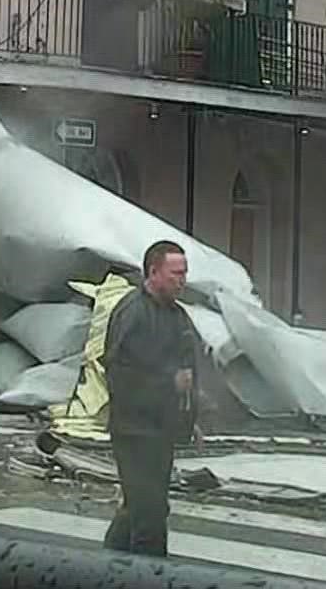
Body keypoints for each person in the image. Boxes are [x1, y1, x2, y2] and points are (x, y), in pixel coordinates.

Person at [101, 239, 200, 557]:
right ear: (154, 272)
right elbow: (119, 373)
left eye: (184, 272)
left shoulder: (179, 317)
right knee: (151, 514)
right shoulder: (133, 312)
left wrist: (191, 417)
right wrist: (167, 382)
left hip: (162, 430)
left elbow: (188, 370)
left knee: (140, 505)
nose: (182, 280)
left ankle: (106, 564)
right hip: (134, 431)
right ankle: (152, 573)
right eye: (175, 273)